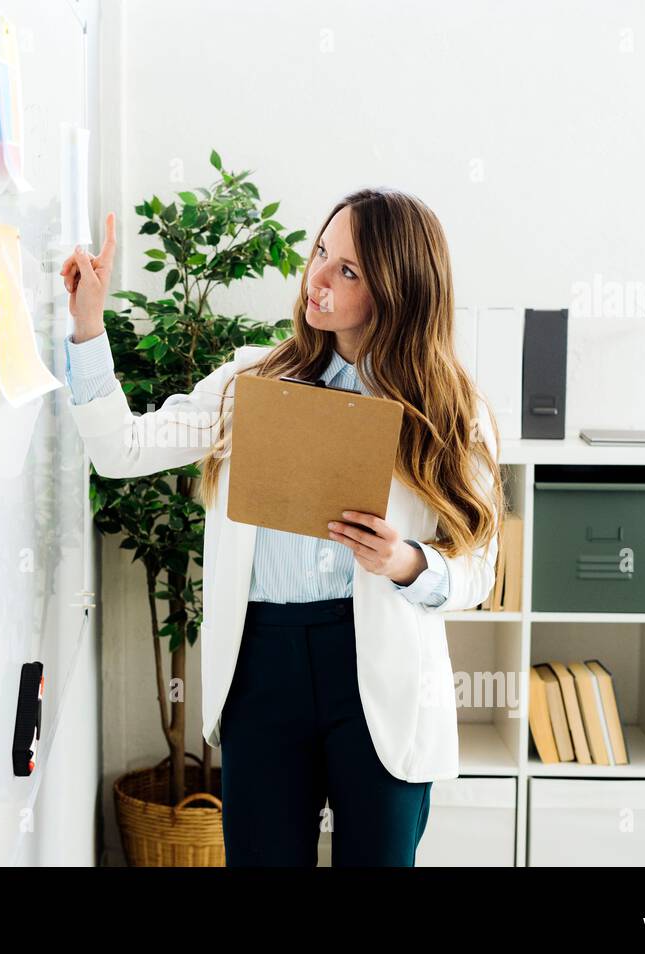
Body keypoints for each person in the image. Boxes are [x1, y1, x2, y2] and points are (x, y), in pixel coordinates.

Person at [58, 189, 504, 867]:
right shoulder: (253, 381)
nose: (317, 279)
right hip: (262, 665)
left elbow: (478, 569)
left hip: (377, 670)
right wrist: (89, 327)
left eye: (348, 269)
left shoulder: (446, 409)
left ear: (397, 289)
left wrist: (408, 561)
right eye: (321, 252)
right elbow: (121, 449)